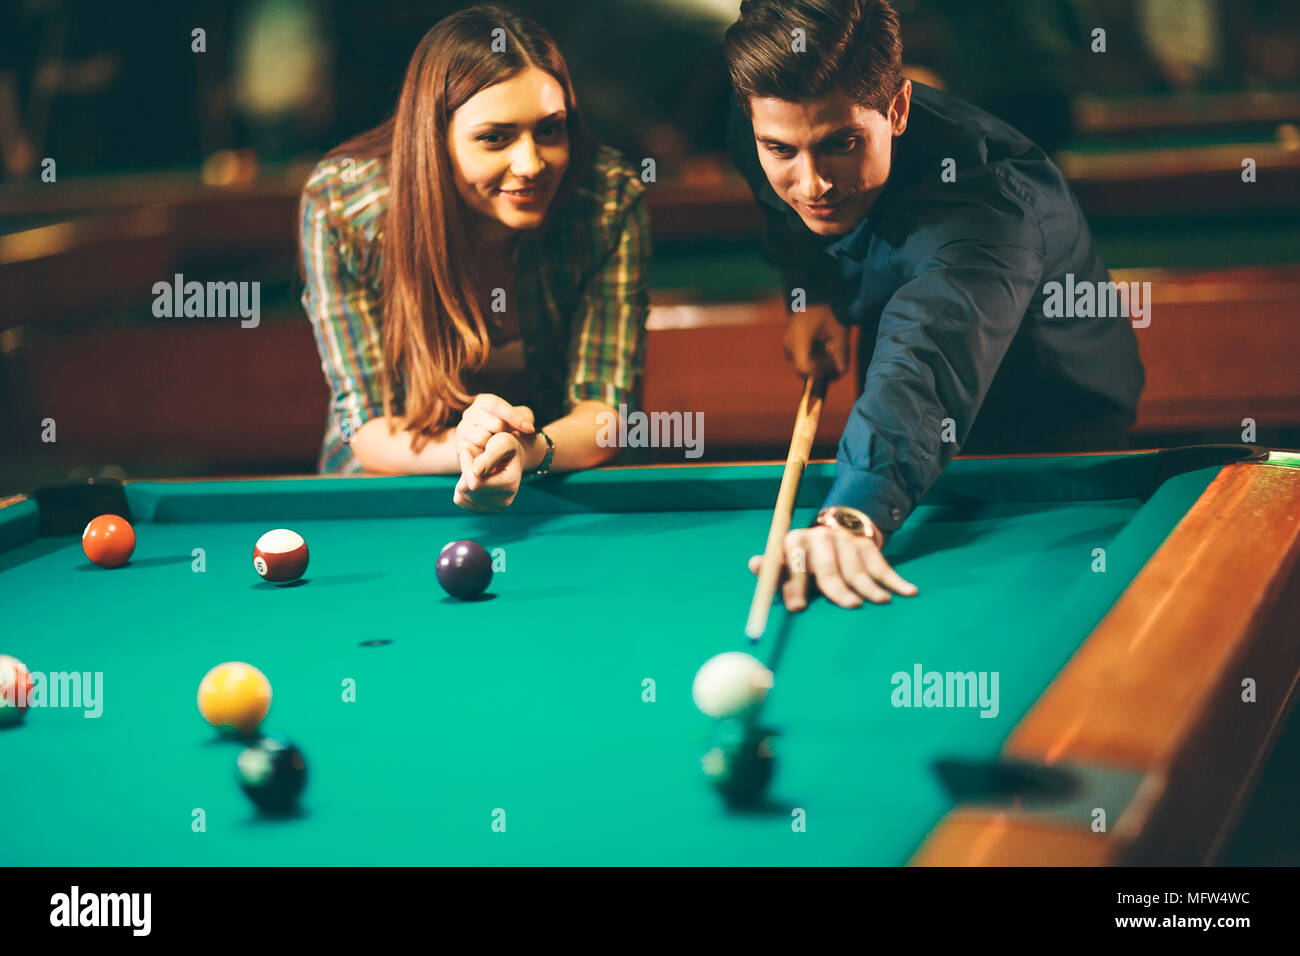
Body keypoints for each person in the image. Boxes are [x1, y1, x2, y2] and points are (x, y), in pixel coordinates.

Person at [722, 0, 1144, 611]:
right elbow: (789, 213)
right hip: (908, 416)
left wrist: (852, 513)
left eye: (841, 144)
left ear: (897, 106)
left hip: (1056, 430)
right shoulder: (766, 119)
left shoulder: (985, 204)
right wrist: (813, 293)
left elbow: (928, 355)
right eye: (781, 150)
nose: (811, 182)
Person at [299, 5, 649, 512]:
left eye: (550, 130)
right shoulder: (342, 208)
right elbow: (364, 427)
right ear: (433, 140)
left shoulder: (607, 200)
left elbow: (607, 414)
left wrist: (528, 450)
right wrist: (468, 449)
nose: (530, 164)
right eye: (495, 138)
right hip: (387, 490)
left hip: (557, 480)